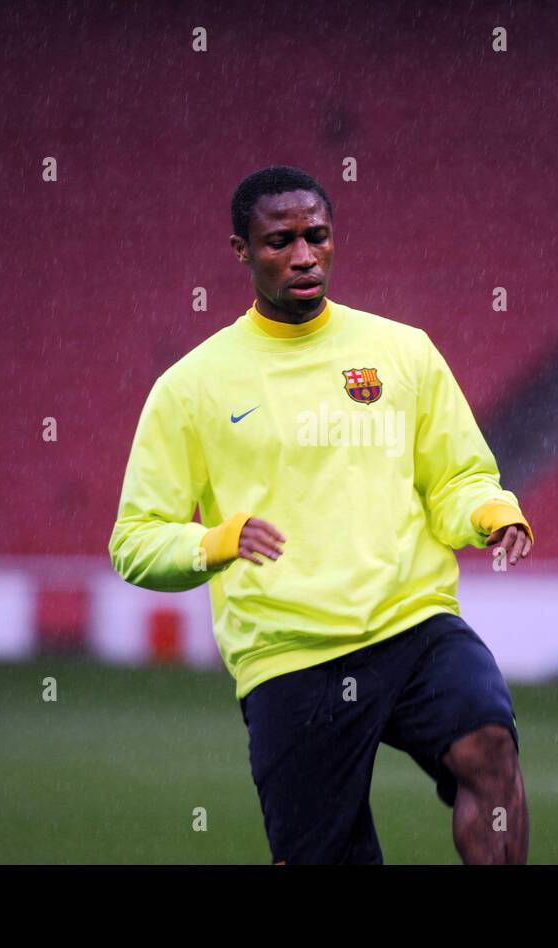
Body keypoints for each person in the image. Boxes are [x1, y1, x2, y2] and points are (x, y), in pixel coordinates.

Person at [109, 165, 533, 864]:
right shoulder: (191, 387)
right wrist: (217, 540)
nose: (303, 255)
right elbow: (134, 541)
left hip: (412, 622)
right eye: (280, 241)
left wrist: (490, 511)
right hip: (292, 654)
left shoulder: (403, 352)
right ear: (242, 251)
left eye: (317, 236)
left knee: (488, 747)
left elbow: (456, 475)